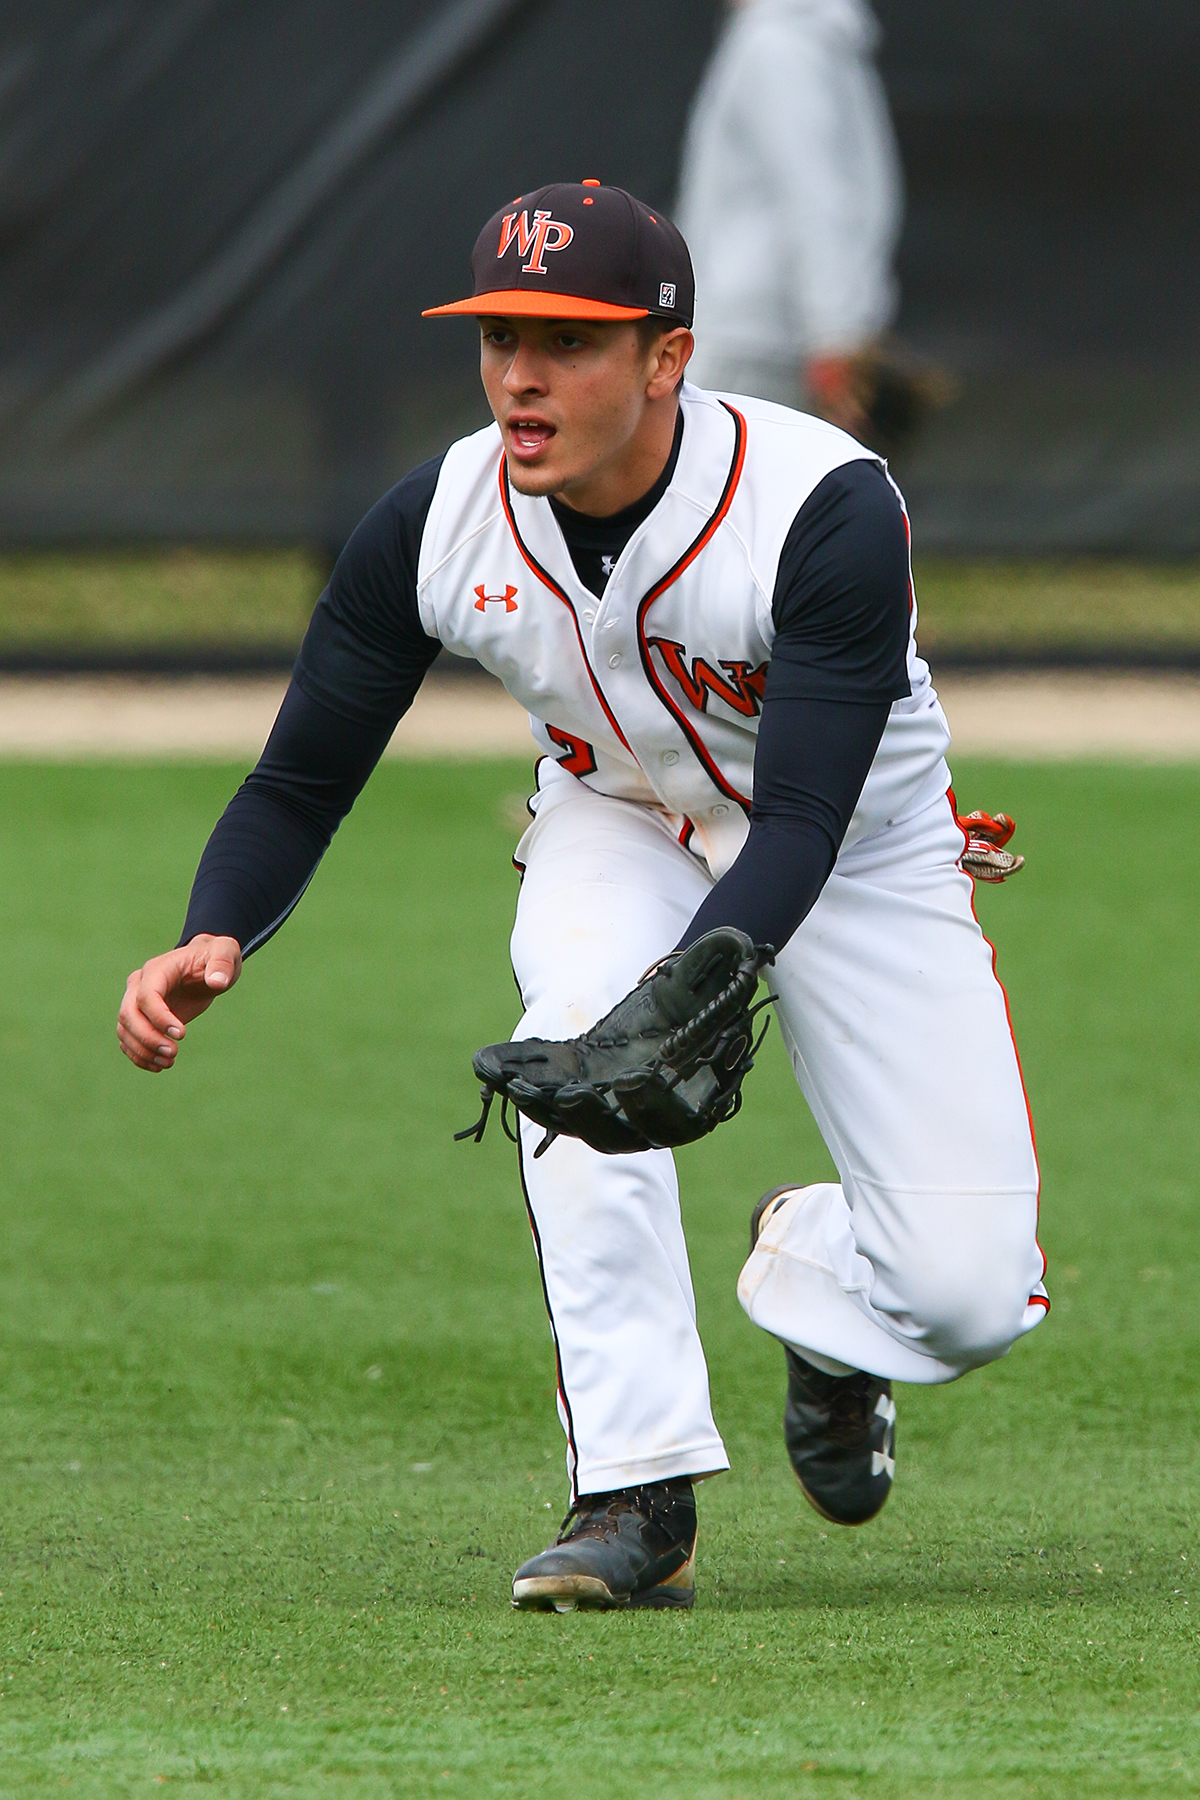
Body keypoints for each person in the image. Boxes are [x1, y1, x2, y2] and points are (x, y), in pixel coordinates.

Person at [117, 181, 1047, 1614]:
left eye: (570, 339)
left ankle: (821, 1291)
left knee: (974, 1294)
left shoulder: (822, 506)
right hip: (619, 823)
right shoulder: (437, 519)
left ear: (668, 359)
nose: (519, 375)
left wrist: (703, 976)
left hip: (854, 849)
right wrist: (213, 927)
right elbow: (303, 776)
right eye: (498, 335)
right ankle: (634, 1492)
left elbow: (798, 815)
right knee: (579, 1047)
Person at [676, 0, 904, 438]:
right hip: (773, 341)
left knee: (722, 496)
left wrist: (834, 335)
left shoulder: (778, 46)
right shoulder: (803, 39)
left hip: (756, 348)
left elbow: (816, 194)